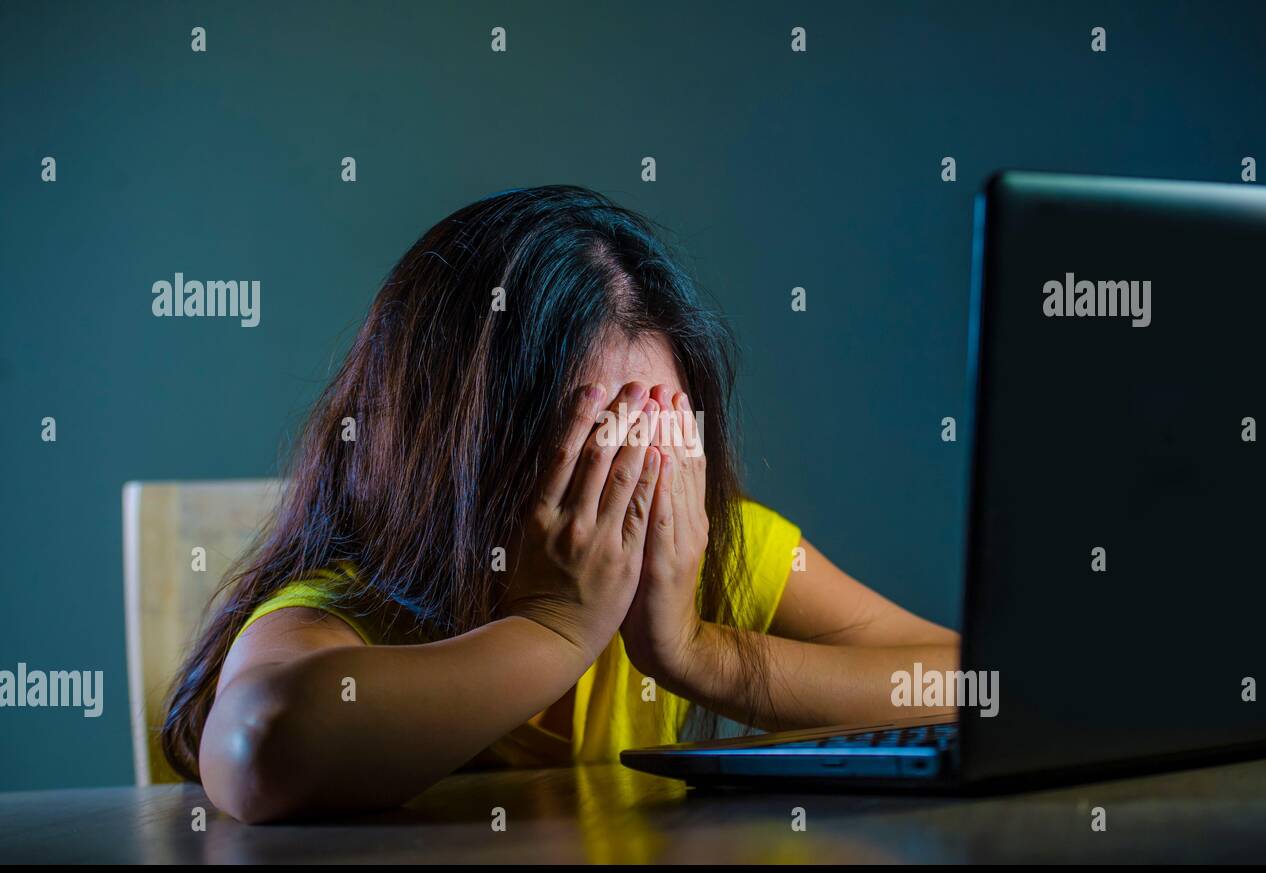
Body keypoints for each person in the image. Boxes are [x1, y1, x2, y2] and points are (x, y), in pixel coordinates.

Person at [161, 185, 958, 822]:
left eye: (665, 443)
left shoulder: (705, 552)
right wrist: (554, 628)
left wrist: (699, 653)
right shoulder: (356, 606)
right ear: (455, 455)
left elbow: (974, 682)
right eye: (600, 448)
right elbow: (258, 746)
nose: (641, 490)